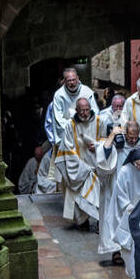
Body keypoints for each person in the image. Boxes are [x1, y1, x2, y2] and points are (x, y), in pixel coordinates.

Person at [52, 96, 106, 227]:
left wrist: (98, 146)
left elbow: (106, 140)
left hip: (96, 165)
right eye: (81, 110)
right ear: (76, 110)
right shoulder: (71, 125)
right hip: (79, 167)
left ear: (90, 109)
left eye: (87, 110)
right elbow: (67, 148)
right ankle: (83, 221)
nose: (84, 113)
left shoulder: (100, 121)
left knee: (99, 195)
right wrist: (81, 167)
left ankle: (100, 222)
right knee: (78, 195)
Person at [94, 107, 132, 265]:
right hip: (112, 189)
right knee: (112, 220)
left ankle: (127, 249)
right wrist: (111, 137)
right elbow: (103, 163)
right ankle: (116, 251)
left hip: (129, 190)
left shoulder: (134, 144)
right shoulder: (107, 144)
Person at [51, 66, 98, 145]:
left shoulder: (87, 92)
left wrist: (85, 125)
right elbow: (58, 118)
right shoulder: (59, 95)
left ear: (78, 78)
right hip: (67, 132)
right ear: (64, 81)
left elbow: (95, 112)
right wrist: (74, 128)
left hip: (86, 130)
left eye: (74, 79)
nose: (72, 83)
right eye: (69, 80)